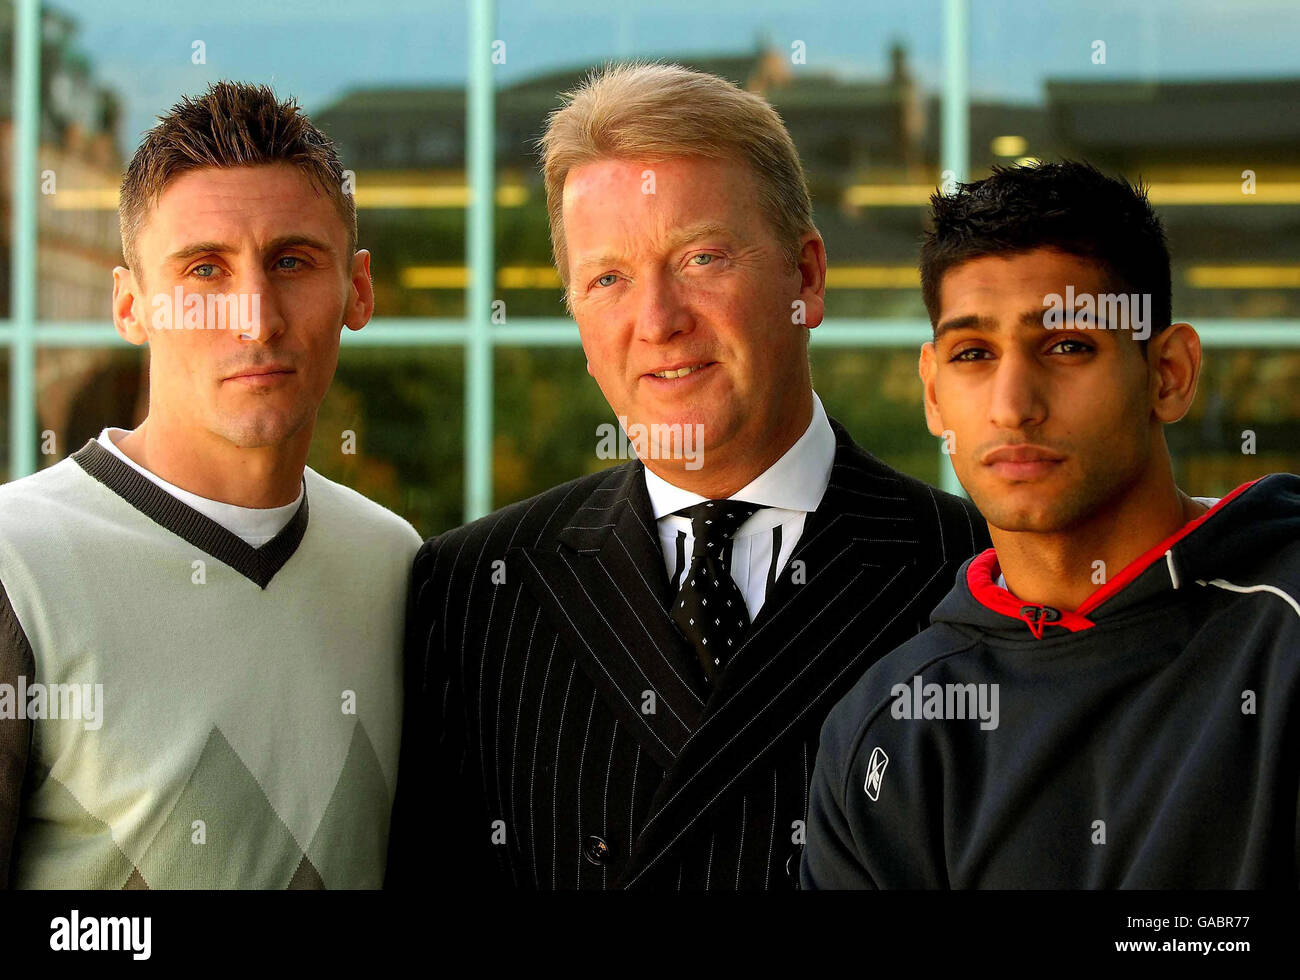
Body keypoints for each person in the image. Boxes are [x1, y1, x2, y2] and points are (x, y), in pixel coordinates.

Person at [387, 62, 988, 890]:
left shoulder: (975, 570)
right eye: (608, 280)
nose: (659, 322)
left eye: (702, 258)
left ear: (806, 278)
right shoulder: (475, 592)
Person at [802, 160, 1300, 889]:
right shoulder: (887, 728)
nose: (1013, 404)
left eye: (1067, 345)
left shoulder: (1283, 632)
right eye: (973, 354)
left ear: (1168, 374)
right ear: (934, 394)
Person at [0, 81, 421, 888]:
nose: (255, 318)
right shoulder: (18, 566)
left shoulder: (394, 566)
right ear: (131, 306)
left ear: (356, 291)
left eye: (291, 261)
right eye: (205, 270)